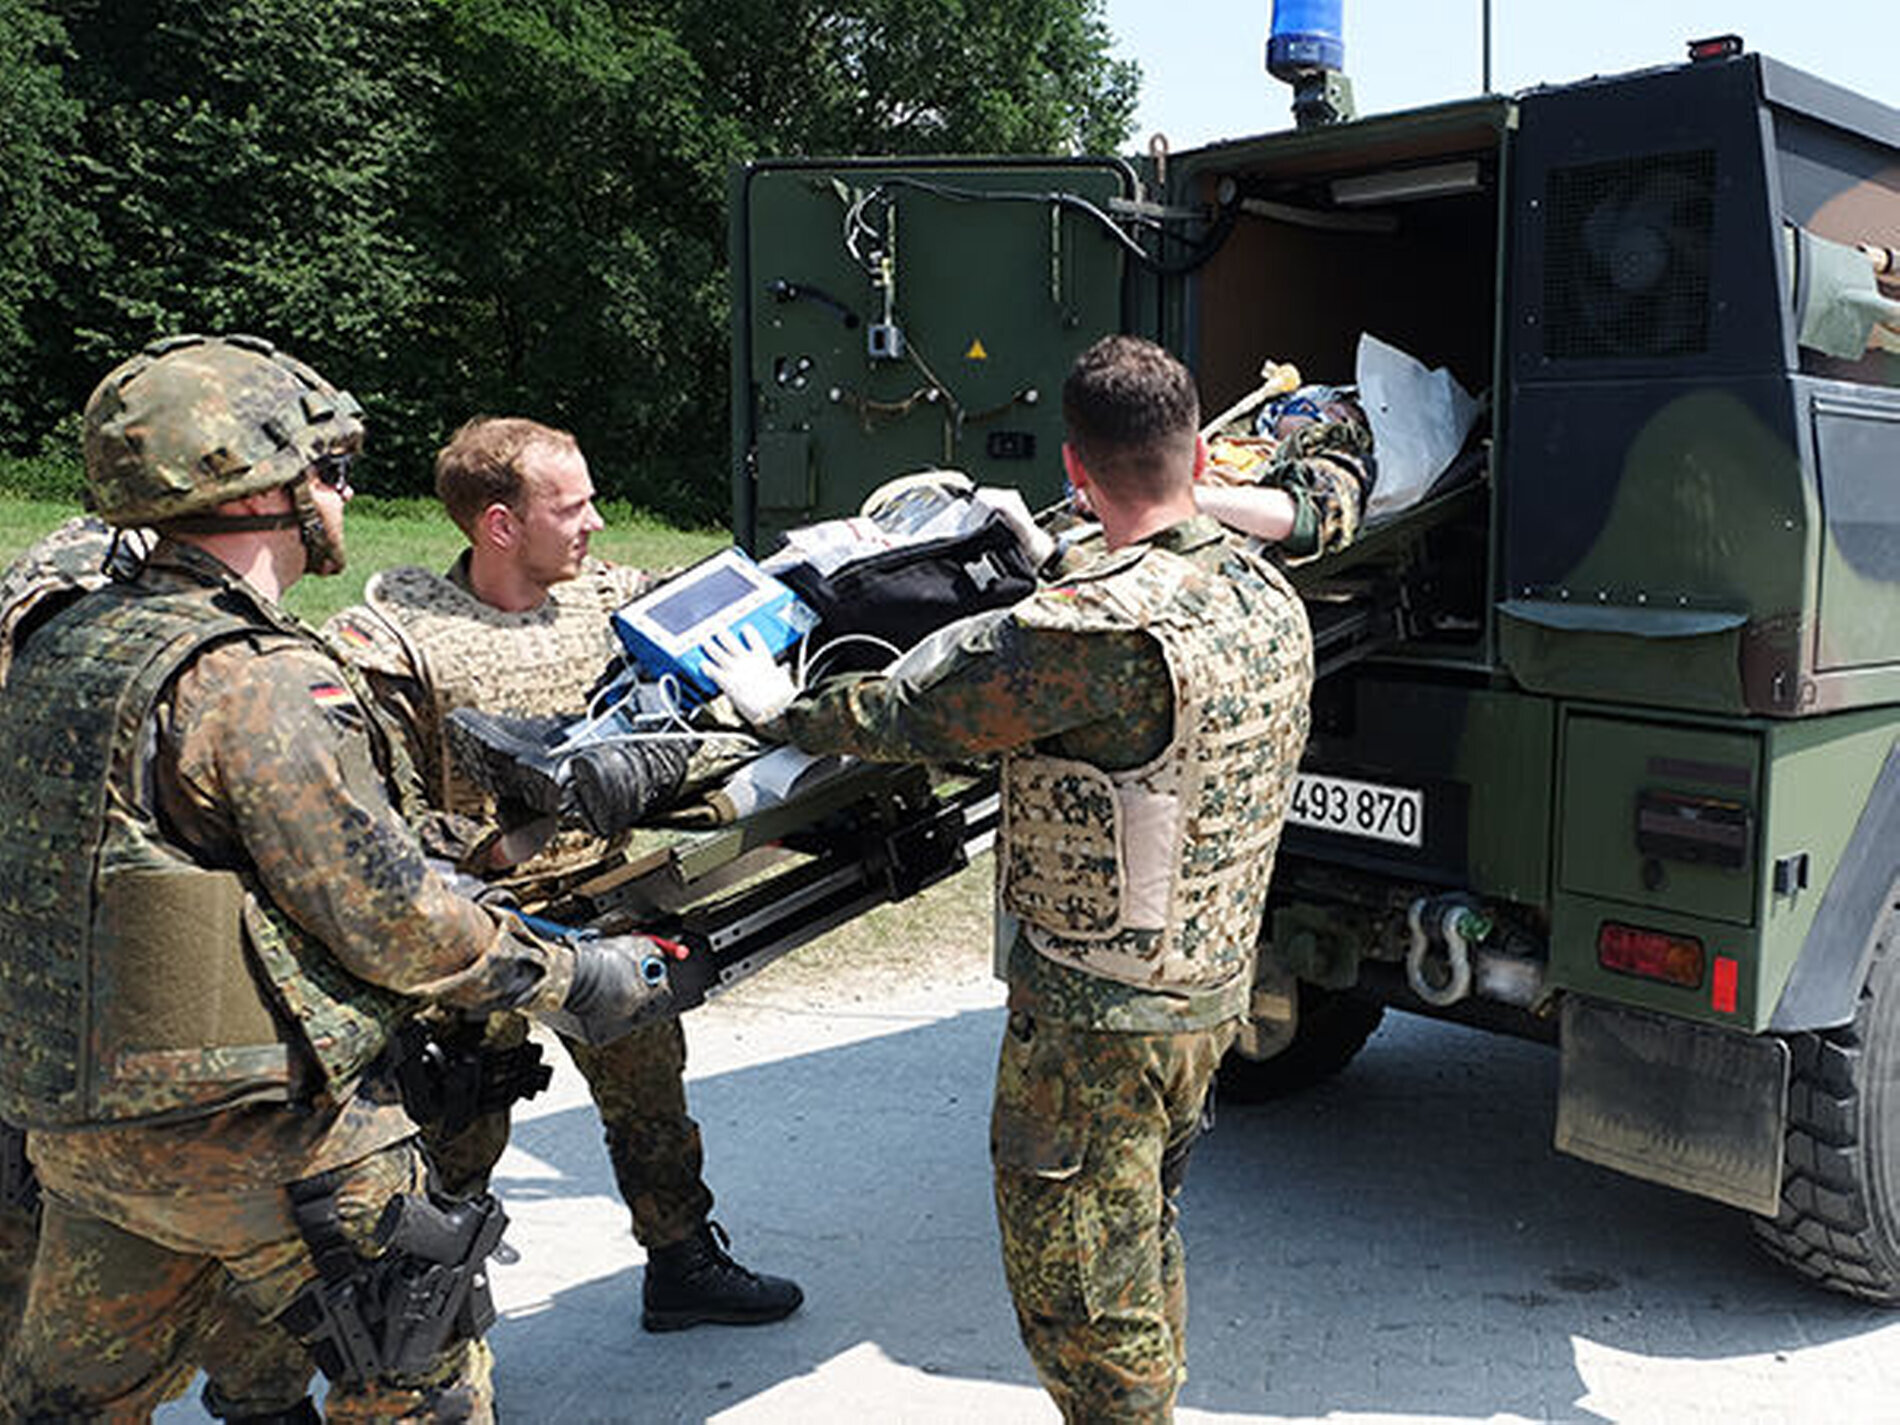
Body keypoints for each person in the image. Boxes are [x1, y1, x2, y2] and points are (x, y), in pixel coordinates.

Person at [0, 335, 675, 1420]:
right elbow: (398, 925)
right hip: (273, 1147)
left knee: (66, 1407)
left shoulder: (64, 643)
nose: (344, 495)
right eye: (331, 470)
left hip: (87, 1141)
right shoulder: (252, 683)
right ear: (269, 488)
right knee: (419, 1393)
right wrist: (579, 978)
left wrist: (485, 841)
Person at [708, 334, 1324, 1422]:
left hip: (1096, 1021)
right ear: (1191, 452)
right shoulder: (1259, 591)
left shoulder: (1093, 628)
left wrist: (777, 705)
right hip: (1203, 994)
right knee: (1138, 1238)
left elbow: (916, 716)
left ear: (1077, 468)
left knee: (1082, 1293)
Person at [323, 416, 803, 1332]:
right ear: (499, 525)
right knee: (457, 1129)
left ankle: (683, 1261)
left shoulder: (614, 603)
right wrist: (493, 849)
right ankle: (426, 1314)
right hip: (475, 927)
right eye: (572, 506)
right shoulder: (395, 642)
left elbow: (746, 601)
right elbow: (367, 813)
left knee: (651, 1096)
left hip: (611, 907)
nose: (597, 524)